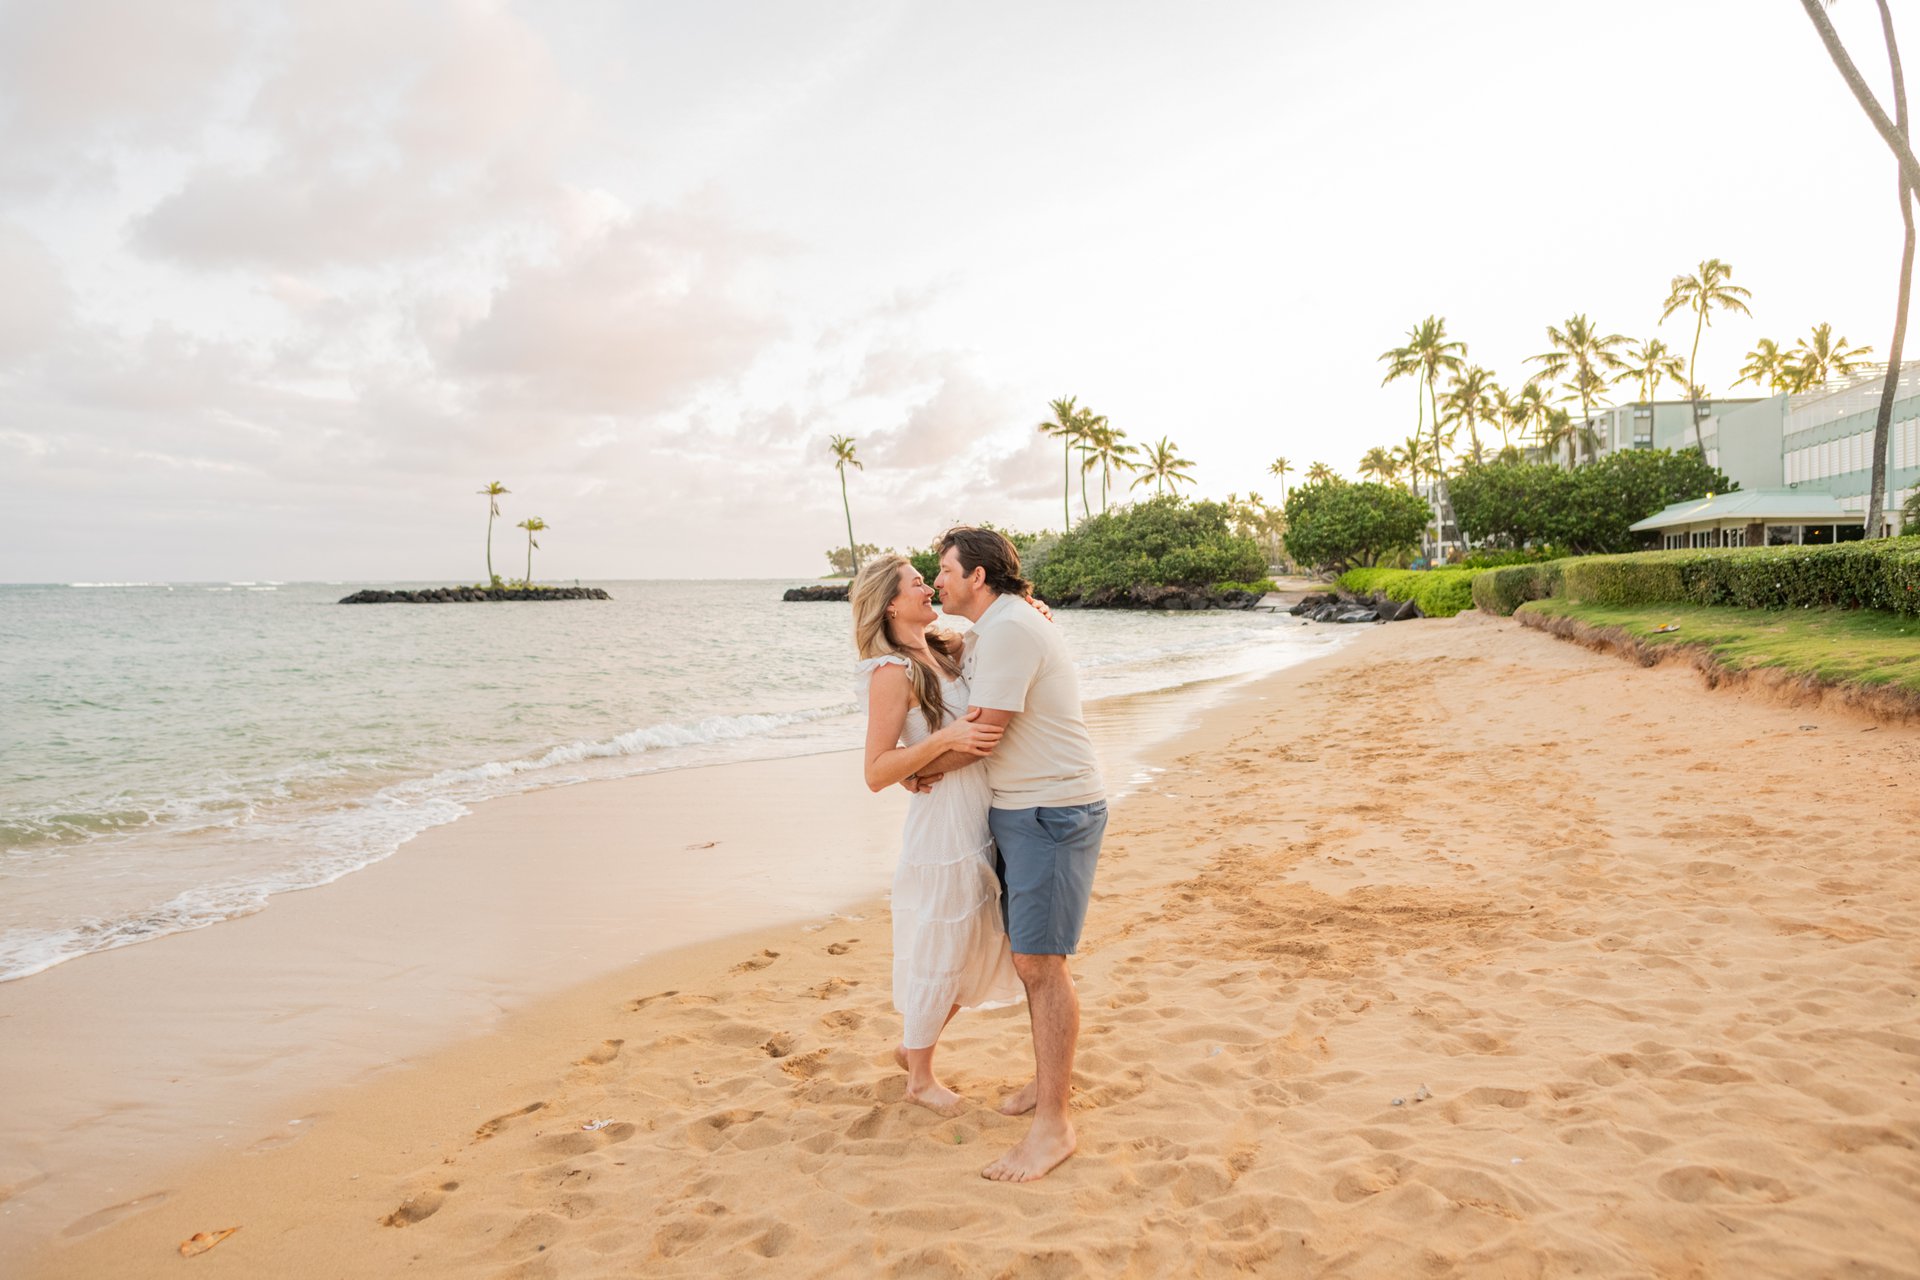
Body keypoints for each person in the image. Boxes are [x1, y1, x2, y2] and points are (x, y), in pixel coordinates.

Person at [917, 526, 1106, 1183]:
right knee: (1033, 961)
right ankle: (1043, 1086)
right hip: (1026, 808)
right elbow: (961, 673)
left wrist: (910, 766)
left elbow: (986, 734)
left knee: (1041, 965)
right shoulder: (999, 626)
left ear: (978, 575)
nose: (937, 579)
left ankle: (1053, 1125)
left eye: (945, 569)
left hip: (1050, 811)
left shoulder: (1010, 629)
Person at [851, 555, 1025, 1116]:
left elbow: (1004, 637)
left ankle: (911, 1046)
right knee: (944, 944)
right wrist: (935, 747)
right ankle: (920, 1078)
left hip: (978, 810)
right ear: (891, 604)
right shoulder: (890, 673)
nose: (929, 586)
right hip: (943, 826)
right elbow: (878, 770)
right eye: (916, 583)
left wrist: (1035, 610)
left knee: (976, 940)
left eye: (929, 578)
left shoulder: (943, 648)